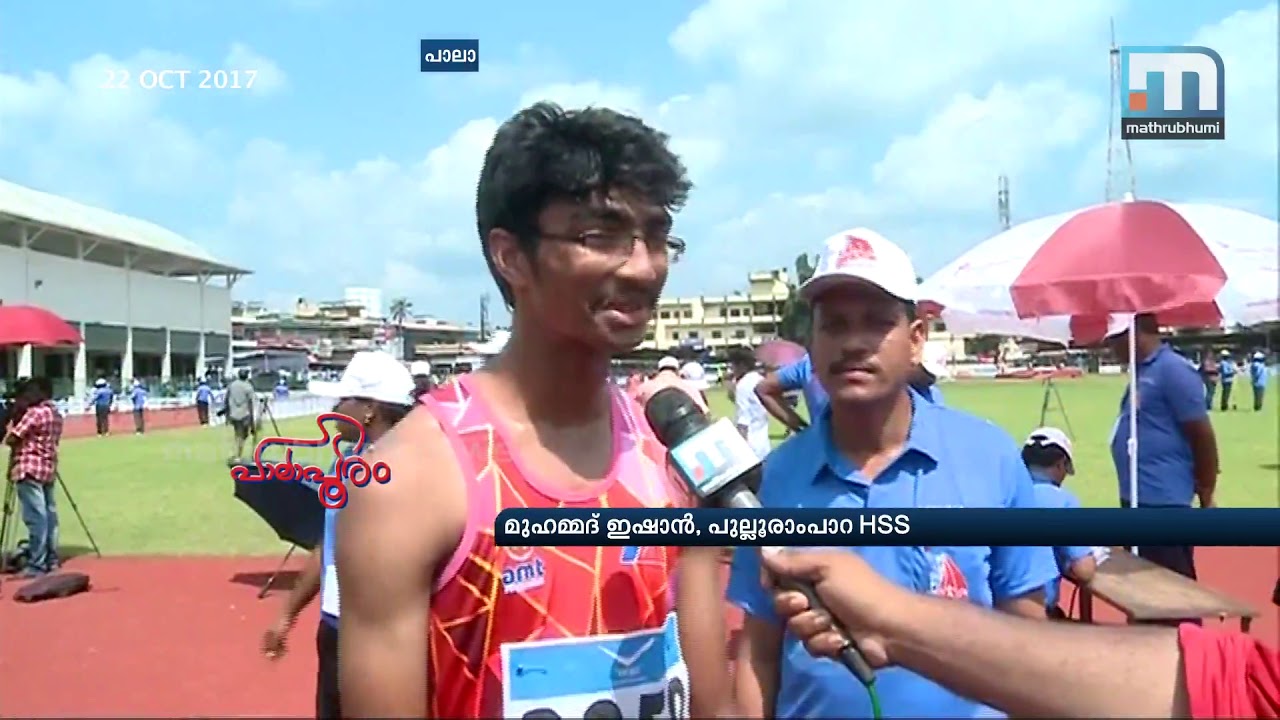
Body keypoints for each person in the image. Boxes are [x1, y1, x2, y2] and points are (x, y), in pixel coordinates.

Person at [336, 102, 730, 718]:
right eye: (600, 235)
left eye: (657, 237)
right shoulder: (411, 480)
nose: (643, 266)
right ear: (510, 256)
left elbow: (713, 705)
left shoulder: (671, 459)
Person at [727, 228, 1057, 719]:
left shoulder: (989, 456)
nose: (854, 343)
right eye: (834, 325)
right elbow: (759, 651)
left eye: (877, 324)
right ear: (811, 345)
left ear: (916, 339)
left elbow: (1030, 633)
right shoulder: (778, 477)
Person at [756, 548, 1280, 719]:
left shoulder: (988, 456)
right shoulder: (784, 469)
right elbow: (1228, 685)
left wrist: (891, 625)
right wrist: (890, 623)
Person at [261, 351, 418, 720]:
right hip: (335, 628)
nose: (332, 410)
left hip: (384, 640)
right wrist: (288, 614)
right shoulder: (345, 464)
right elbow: (326, 543)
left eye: (341, 400)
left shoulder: (413, 469)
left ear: (370, 410)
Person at [1107, 314, 1219, 582]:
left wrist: (1206, 490)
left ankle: (1184, 626)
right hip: (1137, 497)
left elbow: (1202, 435)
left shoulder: (1172, 370)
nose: (1111, 347)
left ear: (1134, 334)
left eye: (1115, 339)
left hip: (1162, 502)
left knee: (1171, 587)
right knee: (1142, 585)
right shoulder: (1144, 371)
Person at [1020, 427, 1097, 619]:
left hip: (992, 609)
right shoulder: (1062, 501)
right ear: (1061, 464)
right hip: (1037, 611)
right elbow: (1084, 570)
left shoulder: (1003, 491)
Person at [3, 377, 64, 577]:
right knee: (49, 516)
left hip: (28, 467)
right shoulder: (55, 414)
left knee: (36, 518)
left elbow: (13, 438)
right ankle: (51, 560)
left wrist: (13, 420)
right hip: (47, 468)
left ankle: (37, 564)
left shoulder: (34, 414)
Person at [755, 352, 827, 433]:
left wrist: (803, 430)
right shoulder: (807, 363)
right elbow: (763, 388)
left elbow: (763, 388)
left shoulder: (809, 362)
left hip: (823, 439)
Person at [727, 347, 772, 459]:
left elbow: (743, 419)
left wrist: (740, 449)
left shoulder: (743, 386)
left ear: (741, 365)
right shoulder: (760, 380)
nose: (731, 369)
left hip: (750, 445)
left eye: (733, 365)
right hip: (764, 444)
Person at [224, 369, 257, 462]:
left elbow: (226, 399)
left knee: (238, 434)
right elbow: (250, 404)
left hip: (233, 414)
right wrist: (252, 422)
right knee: (242, 435)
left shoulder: (232, 385)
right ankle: (237, 455)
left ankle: (235, 452)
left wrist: (227, 414)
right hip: (244, 414)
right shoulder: (248, 387)